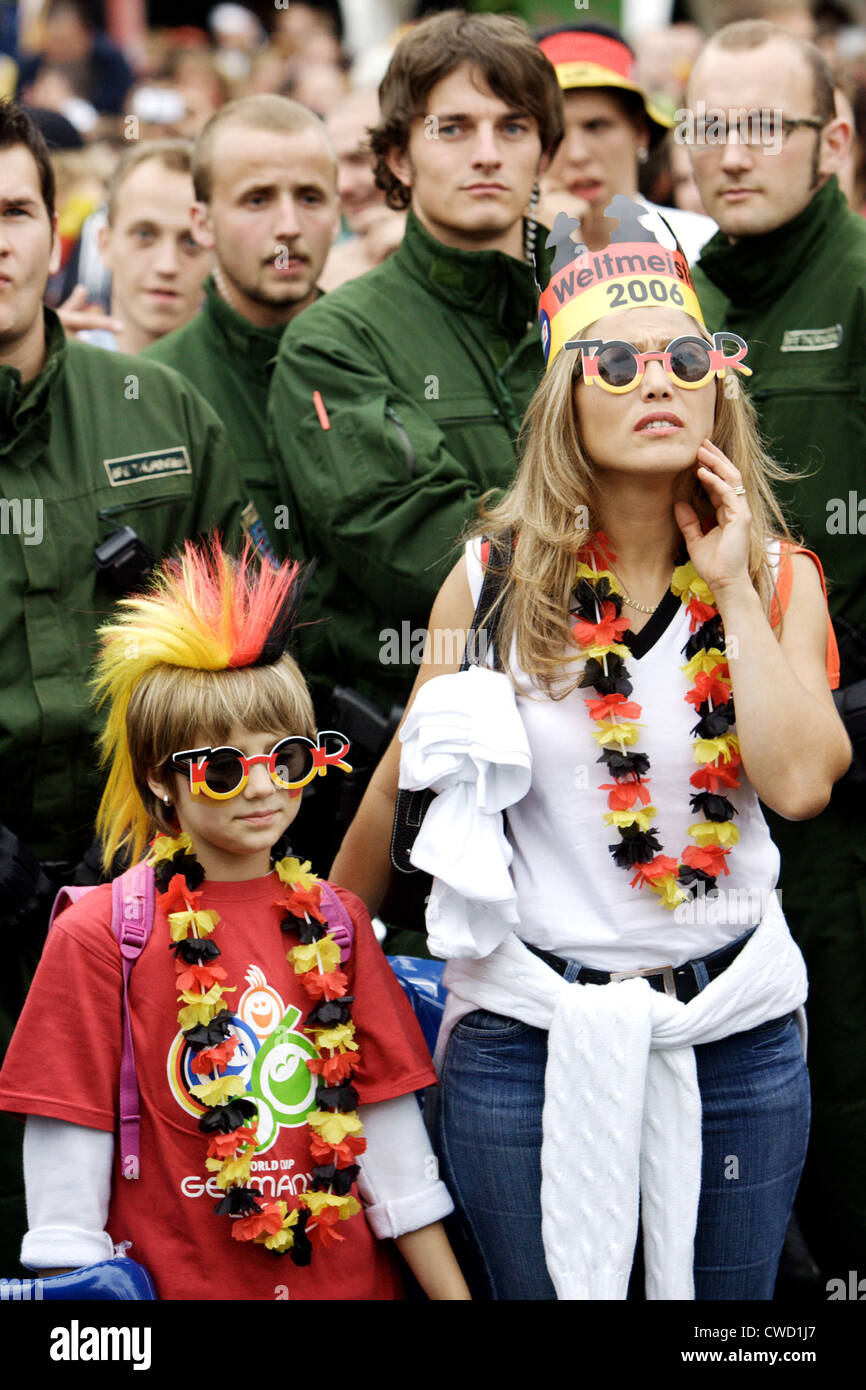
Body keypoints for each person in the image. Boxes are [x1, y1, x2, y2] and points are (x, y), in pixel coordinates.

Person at [330, 200, 851, 1299]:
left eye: (682, 356)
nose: (654, 380)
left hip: (736, 1037)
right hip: (525, 1034)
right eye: (612, 362)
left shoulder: (776, 577)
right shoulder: (491, 580)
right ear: (564, 397)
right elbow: (399, 783)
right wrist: (321, 966)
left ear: (720, 382)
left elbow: (800, 784)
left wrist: (729, 591)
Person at [0, 541, 470, 1301]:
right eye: (222, 768)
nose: (260, 789)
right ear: (161, 780)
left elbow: (392, 1147)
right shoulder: (96, 936)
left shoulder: (338, 920)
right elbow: (64, 1195)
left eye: (285, 759)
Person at [0, 98, 246, 1270]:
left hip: (144, 890)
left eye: (14, 212)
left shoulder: (157, 413)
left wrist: (167, 824)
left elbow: (247, 660)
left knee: (159, 1213)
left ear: (60, 232)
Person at [267, 8, 563, 783]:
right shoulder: (333, 341)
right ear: (396, 158)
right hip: (425, 760)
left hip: (606, 735)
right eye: (453, 128)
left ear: (545, 150)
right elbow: (425, 547)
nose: (488, 154)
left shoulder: (598, 319)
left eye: (515, 126)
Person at [685, 18, 866, 1282]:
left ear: (832, 141)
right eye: (705, 126)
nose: (729, 154)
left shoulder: (858, 290)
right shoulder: (679, 294)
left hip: (839, 787)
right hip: (697, 787)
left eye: (763, 126)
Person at [143, 95, 340, 540]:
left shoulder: (384, 363)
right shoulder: (159, 390)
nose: (288, 226)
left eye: (310, 198)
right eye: (257, 200)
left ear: (336, 215)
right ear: (203, 223)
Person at [536, 23, 716, 264]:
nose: (577, 154)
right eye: (556, 133)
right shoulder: (511, 265)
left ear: (640, 131)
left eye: (596, 126)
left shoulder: (703, 248)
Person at [78, 139, 212, 354]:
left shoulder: (245, 380)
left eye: (191, 241)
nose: (167, 266)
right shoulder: (53, 370)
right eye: (144, 234)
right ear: (105, 245)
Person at [320, 86, 406, 291]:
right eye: (332, 166)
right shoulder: (323, 267)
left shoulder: (473, 240)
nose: (342, 186)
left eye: (358, 160)